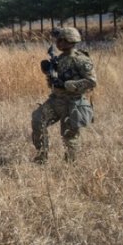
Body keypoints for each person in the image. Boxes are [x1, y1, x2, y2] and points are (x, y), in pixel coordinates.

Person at [31, 27, 96, 163]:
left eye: (61, 40)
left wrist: (69, 84)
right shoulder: (59, 59)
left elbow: (91, 82)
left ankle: (70, 167)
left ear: (70, 41)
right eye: (58, 40)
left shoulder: (81, 60)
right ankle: (41, 157)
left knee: (69, 136)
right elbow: (53, 84)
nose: (58, 43)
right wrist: (49, 73)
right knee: (38, 120)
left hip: (73, 103)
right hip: (56, 101)